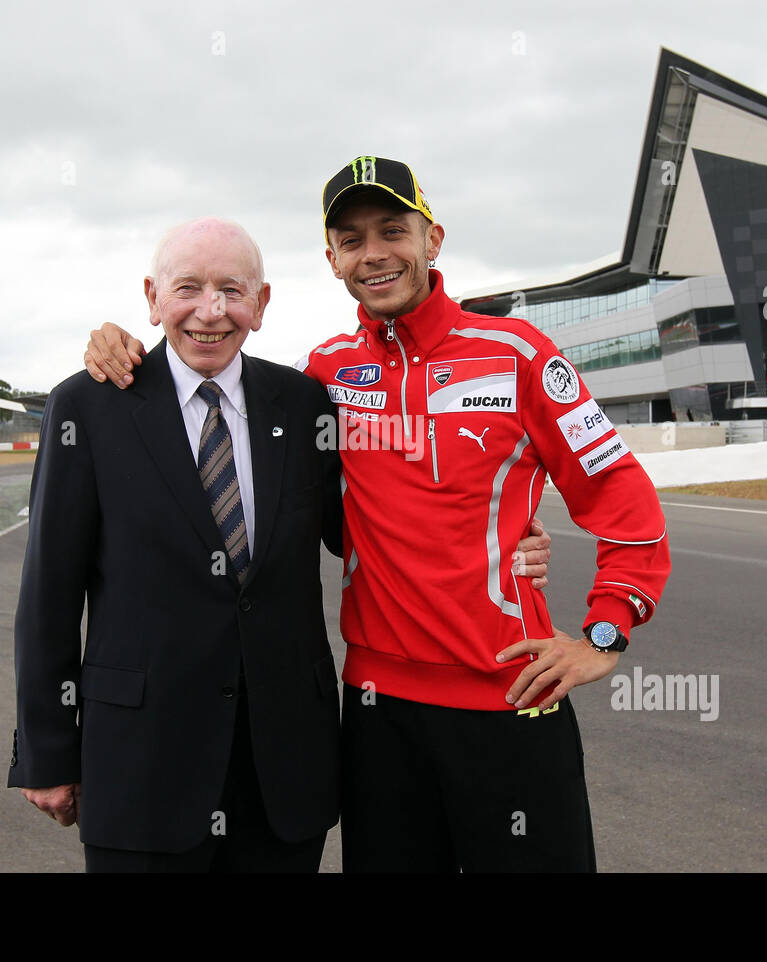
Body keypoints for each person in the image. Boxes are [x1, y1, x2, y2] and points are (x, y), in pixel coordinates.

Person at [84, 156, 670, 872]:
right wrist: (121, 349)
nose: (375, 253)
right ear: (331, 260)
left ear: (433, 238)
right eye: (353, 239)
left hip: (513, 701)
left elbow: (617, 489)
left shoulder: (517, 354)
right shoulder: (320, 378)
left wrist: (607, 632)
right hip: (374, 713)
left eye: (394, 230)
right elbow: (274, 487)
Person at [12, 217, 550, 872]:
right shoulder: (87, 406)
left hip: (284, 774)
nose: (211, 311)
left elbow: (366, 528)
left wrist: (498, 534)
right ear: (152, 298)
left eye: (233, 290)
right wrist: (46, 753)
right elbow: (49, 593)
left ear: (261, 305)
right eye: (188, 289)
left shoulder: (303, 405)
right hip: (141, 767)